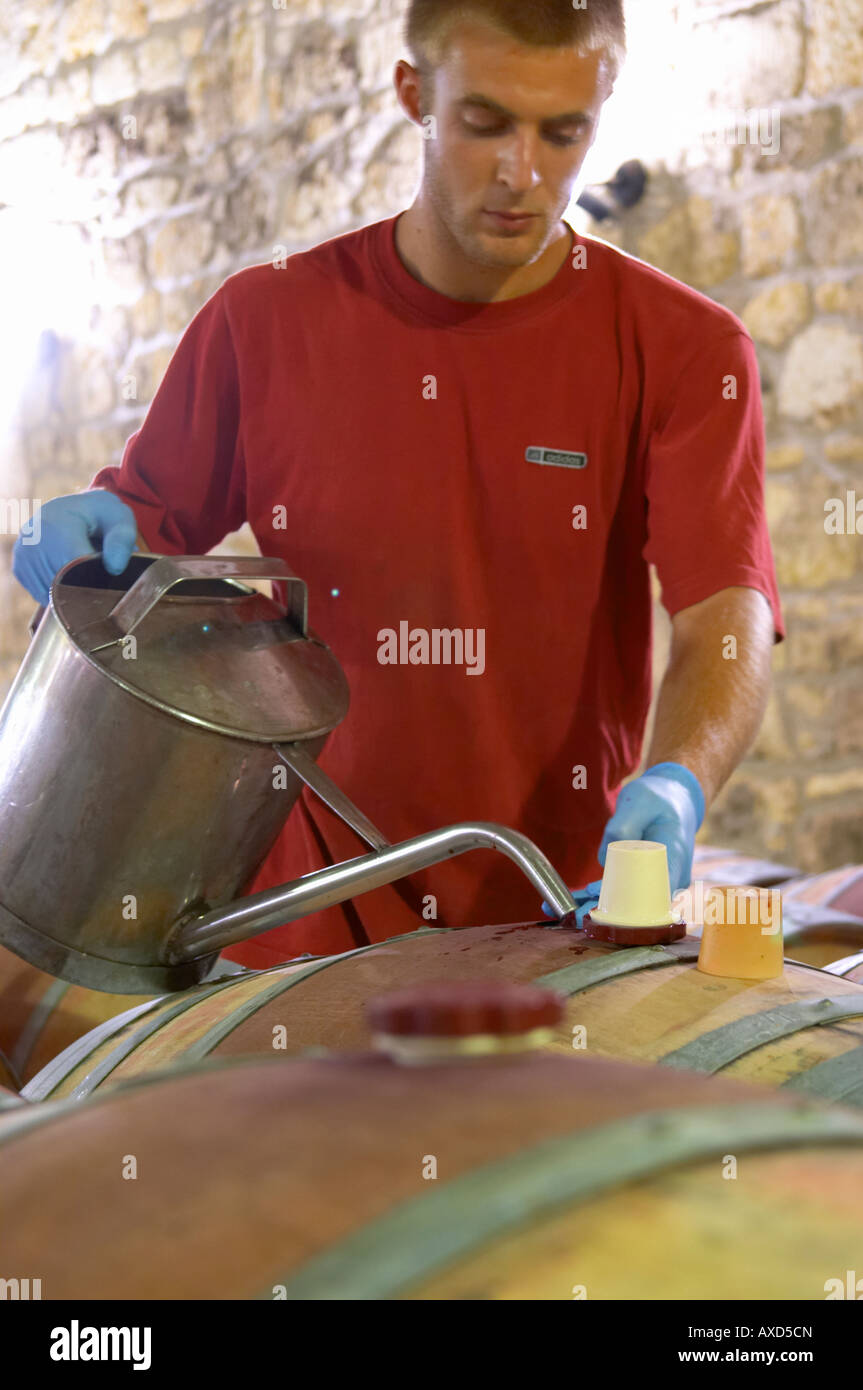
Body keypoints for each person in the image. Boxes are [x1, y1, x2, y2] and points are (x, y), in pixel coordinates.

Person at [13, 0, 784, 970]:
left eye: (562, 131)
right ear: (413, 95)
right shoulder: (264, 323)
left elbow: (726, 606)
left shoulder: (684, 348)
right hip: (291, 935)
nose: (522, 173)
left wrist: (677, 776)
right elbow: (140, 548)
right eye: (484, 123)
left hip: (558, 919)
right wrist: (85, 543)